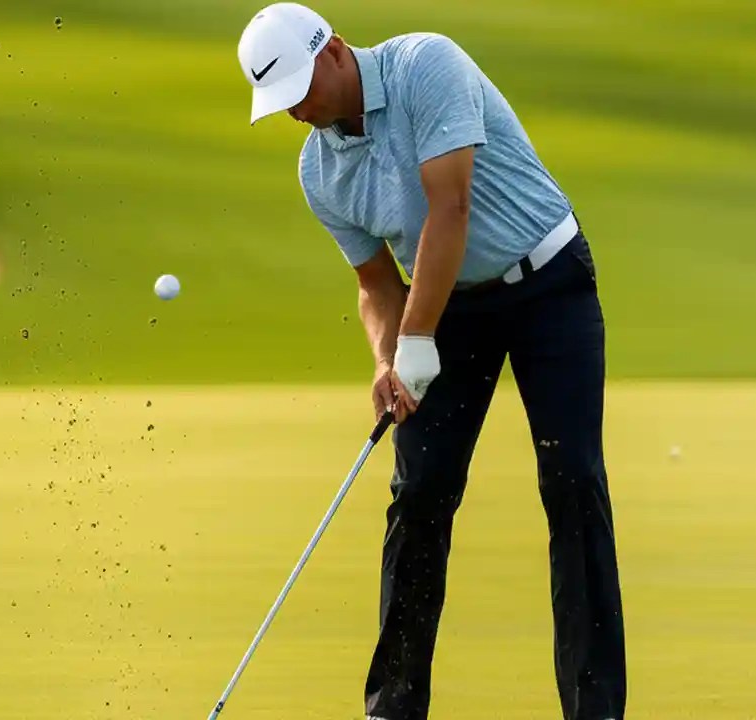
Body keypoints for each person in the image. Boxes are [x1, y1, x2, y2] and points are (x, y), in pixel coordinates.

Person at [237, 4, 627, 719]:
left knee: (572, 482)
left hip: (547, 283)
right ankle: (393, 708)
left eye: (300, 88)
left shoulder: (426, 65)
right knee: (419, 493)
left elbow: (451, 209)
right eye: (281, 100)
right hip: (444, 306)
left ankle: (594, 708)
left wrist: (417, 337)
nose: (296, 110)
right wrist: (388, 359)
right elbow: (376, 283)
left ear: (335, 50)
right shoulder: (318, 171)